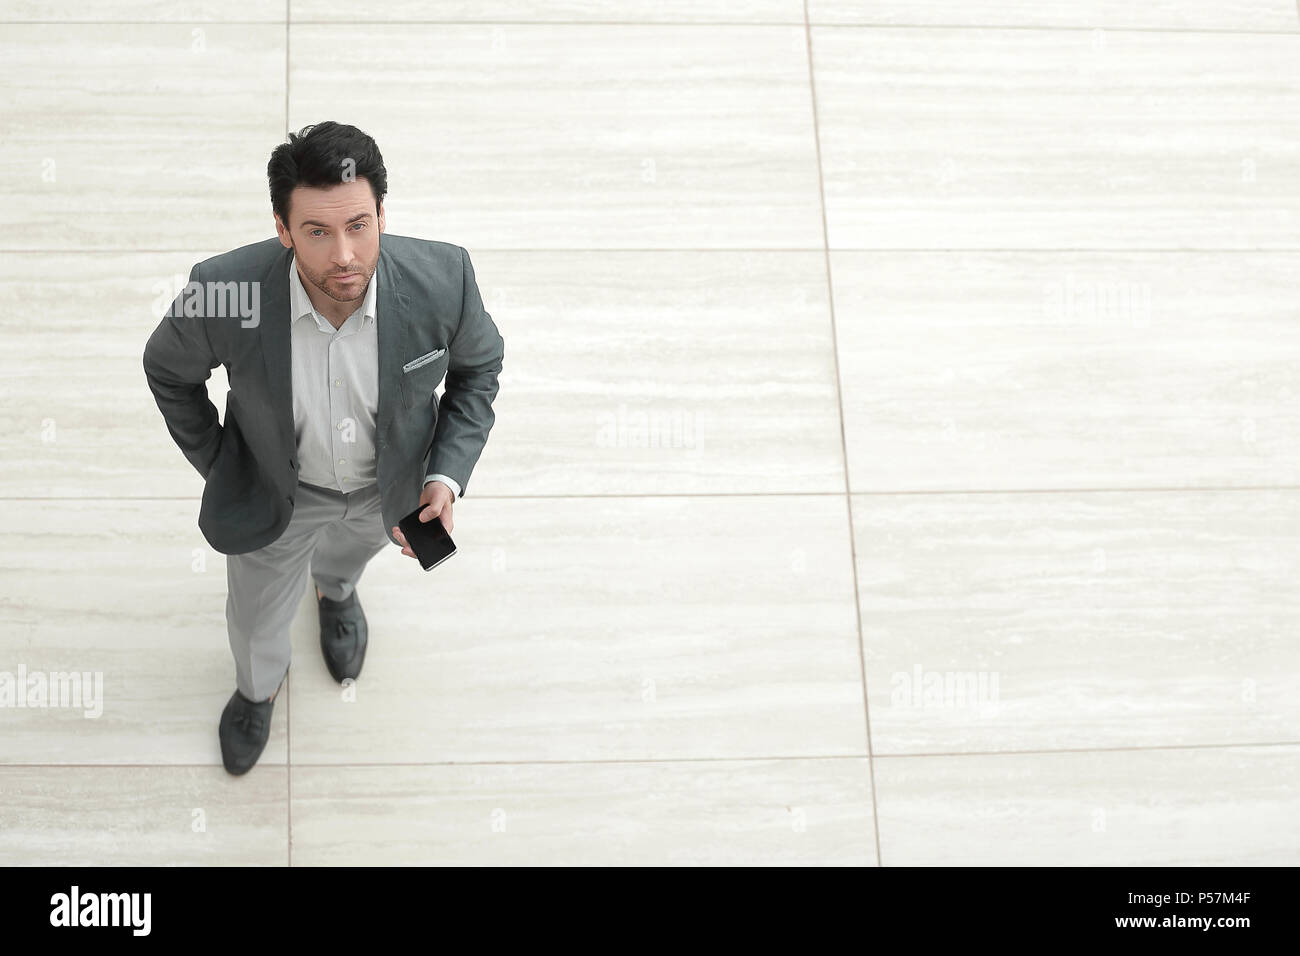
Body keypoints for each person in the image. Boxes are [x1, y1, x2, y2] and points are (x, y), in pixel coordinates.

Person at [142, 121, 504, 775]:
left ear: (382, 214)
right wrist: (222, 464)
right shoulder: (225, 290)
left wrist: (445, 478)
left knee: (346, 559)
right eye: (317, 231)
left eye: (359, 225)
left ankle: (335, 595)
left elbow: (479, 371)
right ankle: (258, 691)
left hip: (385, 491)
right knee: (255, 622)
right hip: (277, 494)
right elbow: (168, 369)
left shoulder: (444, 276)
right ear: (282, 228)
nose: (344, 254)